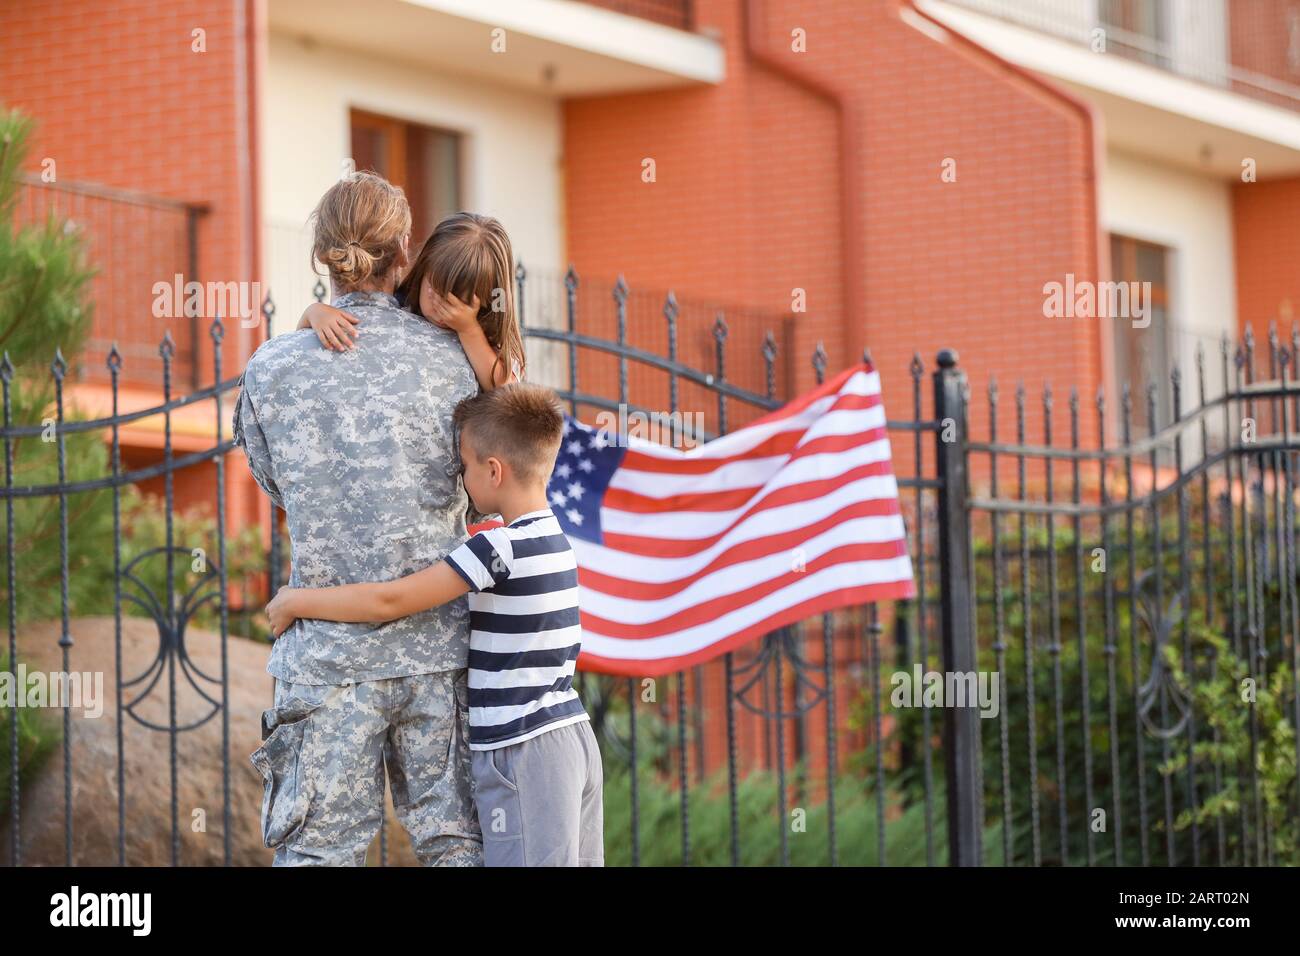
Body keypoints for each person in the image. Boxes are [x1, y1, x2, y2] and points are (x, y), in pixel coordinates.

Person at [234, 171, 492, 866]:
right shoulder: (457, 363)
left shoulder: (271, 368)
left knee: (318, 853)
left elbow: (273, 483)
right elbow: (488, 485)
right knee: (457, 847)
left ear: (322, 254)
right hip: (440, 655)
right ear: (404, 251)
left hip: (327, 661)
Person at [266, 384, 604, 867]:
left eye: (463, 466)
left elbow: (391, 599)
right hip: (571, 739)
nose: (460, 479)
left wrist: (297, 601)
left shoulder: (498, 549)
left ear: (494, 470)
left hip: (523, 747)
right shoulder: (555, 541)